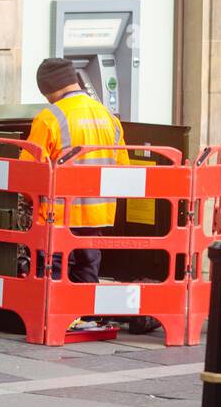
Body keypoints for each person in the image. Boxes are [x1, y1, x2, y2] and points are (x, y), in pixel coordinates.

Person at [22, 58, 157, 334]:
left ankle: (57, 318)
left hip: (58, 214)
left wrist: (26, 202)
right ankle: (84, 317)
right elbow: (123, 168)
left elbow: (28, 170)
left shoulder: (50, 117)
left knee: (55, 266)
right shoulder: (107, 116)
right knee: (87, 264)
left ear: (47, 89)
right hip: (98, 214)